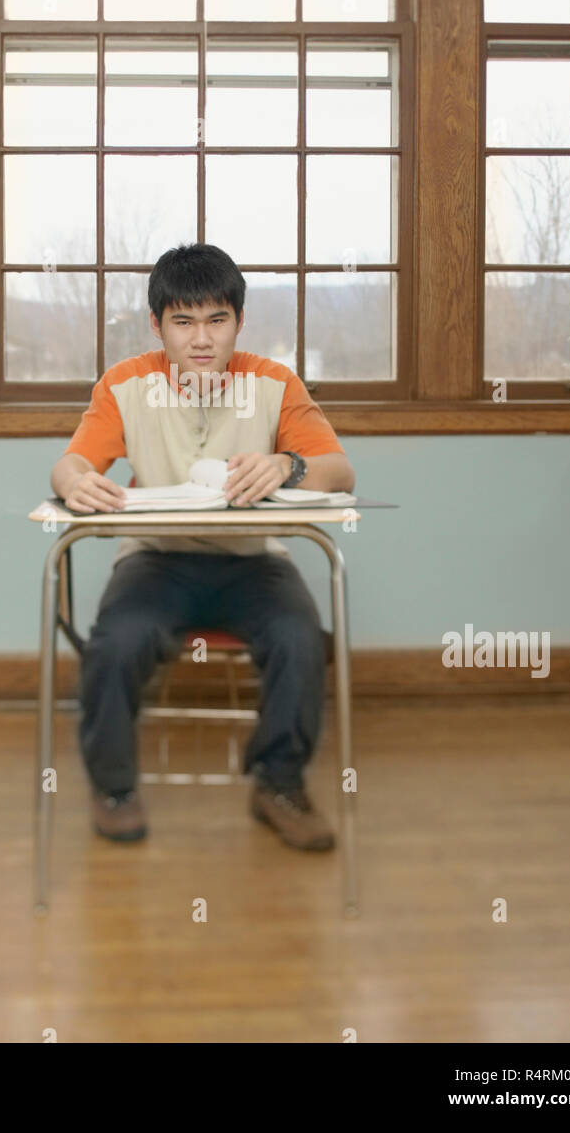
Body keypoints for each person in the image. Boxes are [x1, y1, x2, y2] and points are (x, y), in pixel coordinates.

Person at [49, 243, 356, 851]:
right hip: (155, 559)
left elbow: (340, 472)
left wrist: (288, 466)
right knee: (115, 644)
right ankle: (114, 789)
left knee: (300, 637)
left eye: (217, 320)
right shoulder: (126, 383)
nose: (200, 339)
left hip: (253, 561)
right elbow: (72, 462)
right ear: (157, 325)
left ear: (238, 323)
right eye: (183, 322)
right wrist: (75, 482)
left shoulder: (273, 382)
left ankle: (279, 783)